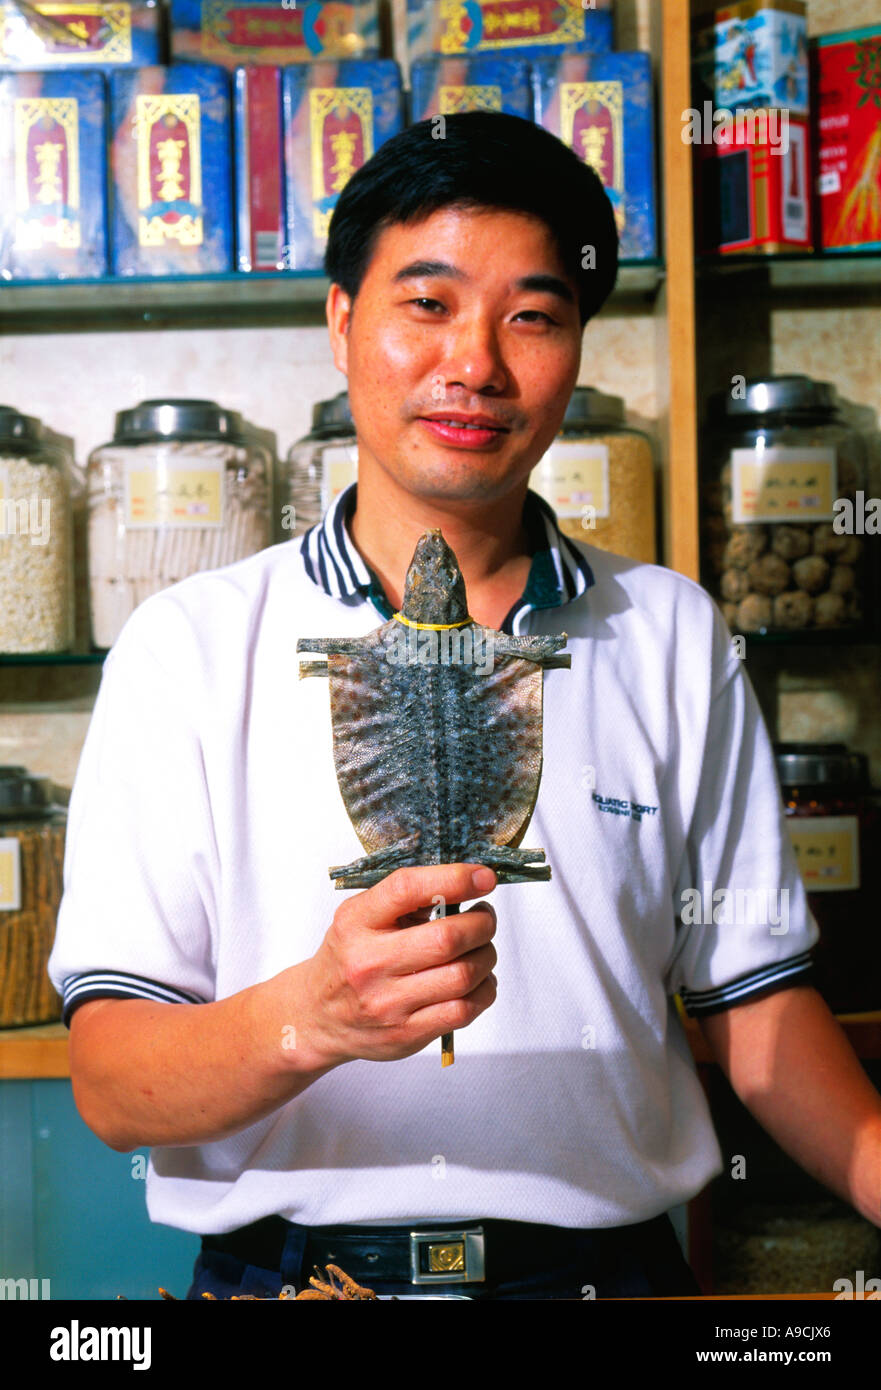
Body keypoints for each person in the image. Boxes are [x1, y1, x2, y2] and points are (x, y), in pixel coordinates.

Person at [49, 112, 881, 1301]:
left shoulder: (667, 631)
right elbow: (112, 1083)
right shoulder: (186, 646)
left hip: (607, 1277)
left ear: (577, 347)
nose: (475, 364)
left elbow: (755, 1011)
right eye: (427, 304)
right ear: (341, 321)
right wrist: (312, 1017)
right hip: (298, 1281)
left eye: (531, 316)